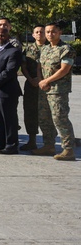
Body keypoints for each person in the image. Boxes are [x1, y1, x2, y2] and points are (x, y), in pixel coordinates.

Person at [38, 23, 76, 161]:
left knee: (60, 118)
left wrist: (47, 81)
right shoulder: (45, 49)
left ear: (60, 32)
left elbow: (64, 69)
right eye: (47, 32)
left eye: (53, 32)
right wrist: (41, 81)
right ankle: (48, 145)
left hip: (58, 90)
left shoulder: (66, 49)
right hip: (44, 89)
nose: (49, 34)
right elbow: (39, 66)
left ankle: (68, 149)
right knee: (44, 118)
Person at [0, 27, 23, 154]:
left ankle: (11, 145)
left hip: (6, 91)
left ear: (8, 36)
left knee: (9, 119)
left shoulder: (14, 51)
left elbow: (10, 71)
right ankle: (0, 142)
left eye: (3, 35)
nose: (0, 38)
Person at [20, 25, 54, 153]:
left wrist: (43, 81)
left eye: (42, 32)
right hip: (31, 85)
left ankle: (48, 143)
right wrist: (31, 79)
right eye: (37, 32)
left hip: (47, 86)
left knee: (47, 115)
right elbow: (23, 67)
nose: (39, 34)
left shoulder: (51, 48)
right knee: (30, 113)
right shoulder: (28, 49)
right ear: (33, 35)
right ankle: (32, 141)